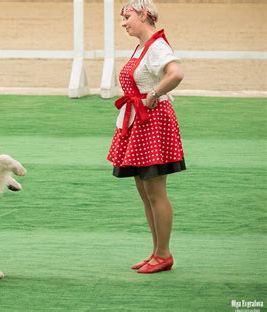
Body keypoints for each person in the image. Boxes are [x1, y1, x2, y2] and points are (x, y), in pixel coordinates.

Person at [107, 0, 185, 274]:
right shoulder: (143, 46)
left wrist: (154, 94)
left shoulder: (157, 46)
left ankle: (163, 254)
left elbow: (176, 73)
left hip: (152, 122)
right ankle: (156, 252)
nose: (124, 22)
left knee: (155, 191)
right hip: (139, 122)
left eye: (127, 17)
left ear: (144, 15)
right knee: (144, 190)